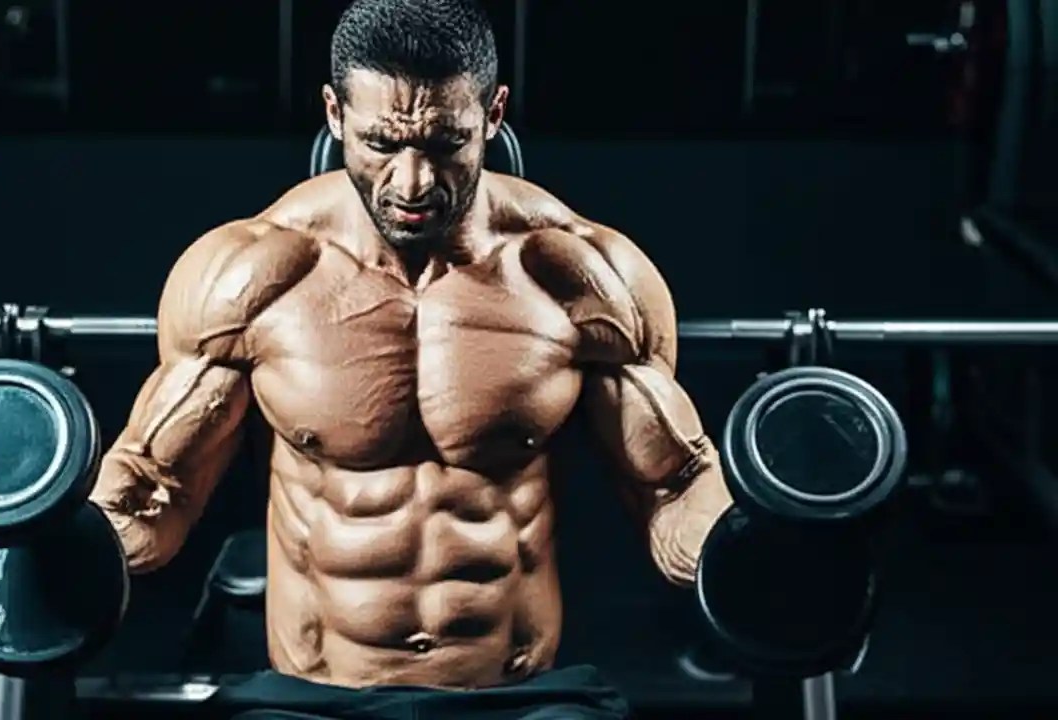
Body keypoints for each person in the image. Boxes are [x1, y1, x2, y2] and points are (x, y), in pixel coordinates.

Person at [89, 0, 732, 717]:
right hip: (311, 699)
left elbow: (676, 483)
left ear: (493, 114)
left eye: (444, 142)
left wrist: (744, 554)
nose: (413, 183)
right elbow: (156, 485)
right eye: (381, 145)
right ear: (334, 113)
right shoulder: (253, 278)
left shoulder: (580, 275)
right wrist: (71, 549)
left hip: (519, 701)